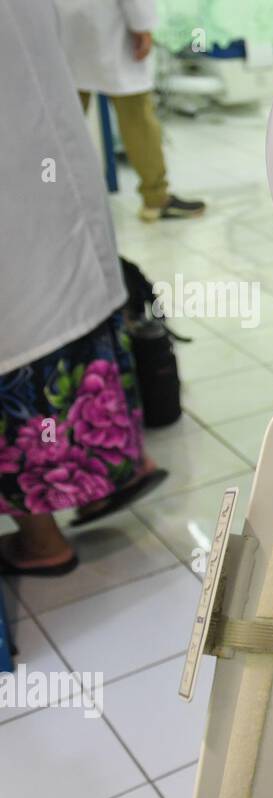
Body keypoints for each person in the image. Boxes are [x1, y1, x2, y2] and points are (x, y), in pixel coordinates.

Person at [0, 0, 167, 577]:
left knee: (20, 344)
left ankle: (42, 538)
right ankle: (109, 476)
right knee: (72, 322)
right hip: (48, 167)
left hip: (21, 199)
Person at [55, 0, 206, 221]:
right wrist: (142, 25)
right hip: (111, 27)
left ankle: (56, 197)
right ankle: (156, 197)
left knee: (64, 122)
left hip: (65, 25)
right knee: (137, 119)